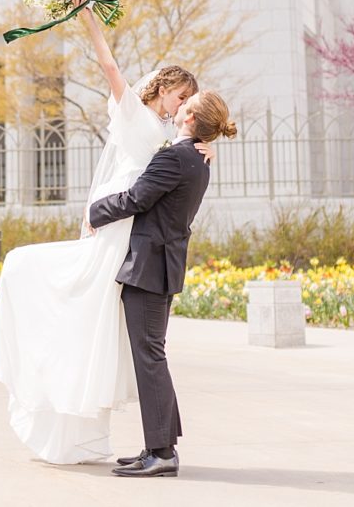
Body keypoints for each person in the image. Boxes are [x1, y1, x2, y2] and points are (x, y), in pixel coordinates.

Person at [0, 0, 201, 466]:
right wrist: (87, 16)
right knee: (54, 283)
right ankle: (147, 443)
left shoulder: (170, 137)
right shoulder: (133, 112)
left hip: (130, 227)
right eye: (180, 96)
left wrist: (203, 143)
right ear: (163, 87)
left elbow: (175, 165)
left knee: (108, 326)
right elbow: (109, 65)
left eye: (189, 101)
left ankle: (154, 446)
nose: (183, 106)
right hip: (118, 220)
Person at [86, 87, 235, 479]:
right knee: (151, 355)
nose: (179, 105)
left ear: (190, 118)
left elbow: (137, 198)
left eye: (186, 104)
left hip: (149, 267)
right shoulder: (197, 158)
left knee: (150, 357)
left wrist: (95, 211)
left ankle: (162, 452)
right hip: (161, 265)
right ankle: (158, 446)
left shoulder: (176, 157)